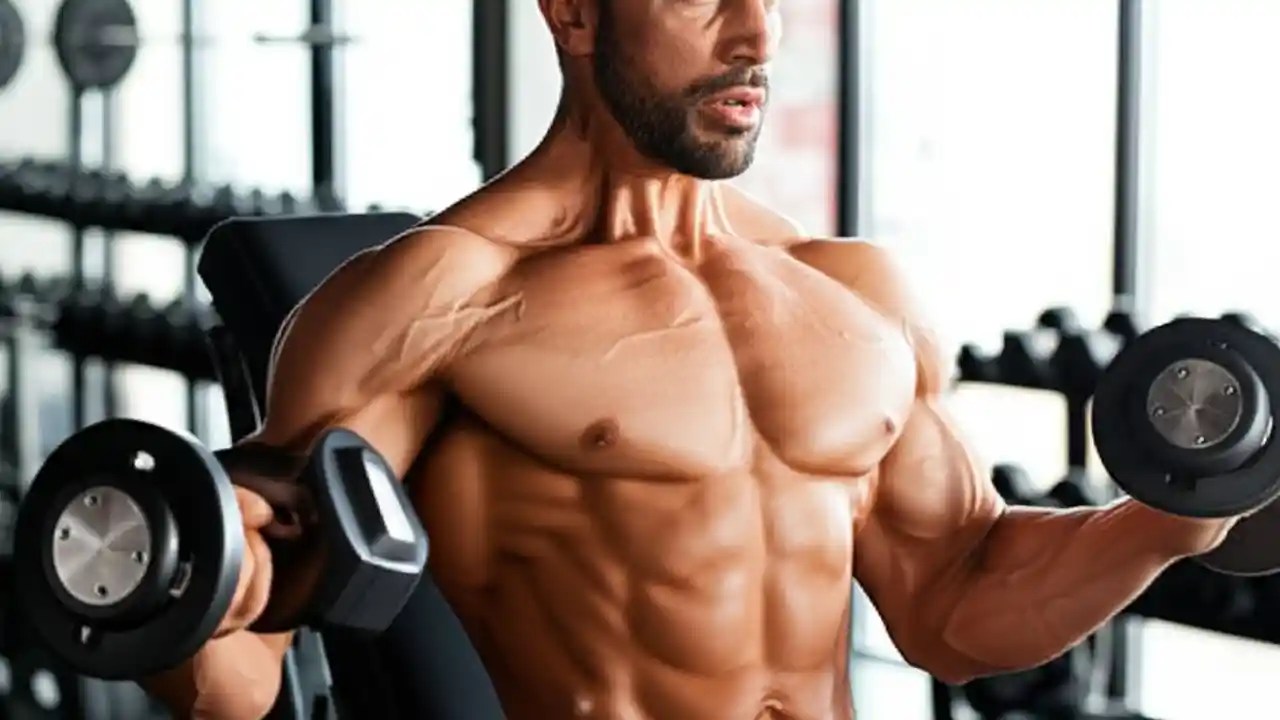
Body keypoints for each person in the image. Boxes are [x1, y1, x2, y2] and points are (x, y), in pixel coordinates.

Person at [144, 1, 1239, 718]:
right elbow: (242, 669)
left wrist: (1173, 519)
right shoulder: (440, 299)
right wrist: (174, 598)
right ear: (575, 12)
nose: (755, 35)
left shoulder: (852, 290)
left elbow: (952, 607)